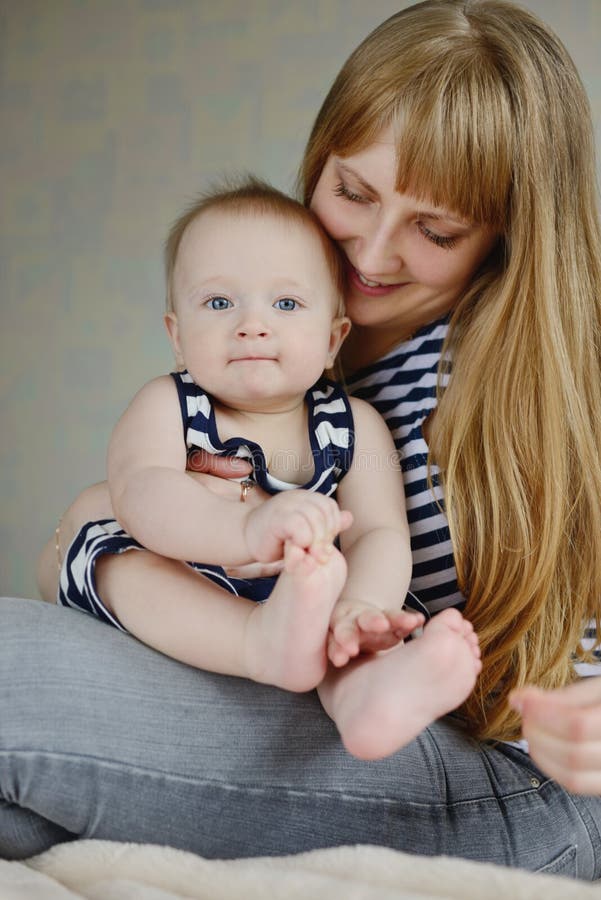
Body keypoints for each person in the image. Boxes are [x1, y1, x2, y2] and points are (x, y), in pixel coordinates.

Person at [3, 0, 601, 878]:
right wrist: (107, 531)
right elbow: (119, 528)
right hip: (333, 708)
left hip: (521, 781)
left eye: (434, 230)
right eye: (352, 192)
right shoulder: (293, 355)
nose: (373, 250)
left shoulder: (542, 376)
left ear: (506, 239)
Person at [56, 177, 480, 750]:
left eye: (285, 304)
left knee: (364, 612)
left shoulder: (353, 423)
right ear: (176, 336)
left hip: (313, 603)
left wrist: (360, 609)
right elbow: (142, 493)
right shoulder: (170, 405)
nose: (252, 324)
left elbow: (380, 531)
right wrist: (244, 530)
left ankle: (365, 698)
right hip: (194, 589)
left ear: (334, 339)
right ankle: (256, 641)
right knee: (115, 556)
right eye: (219, 302)